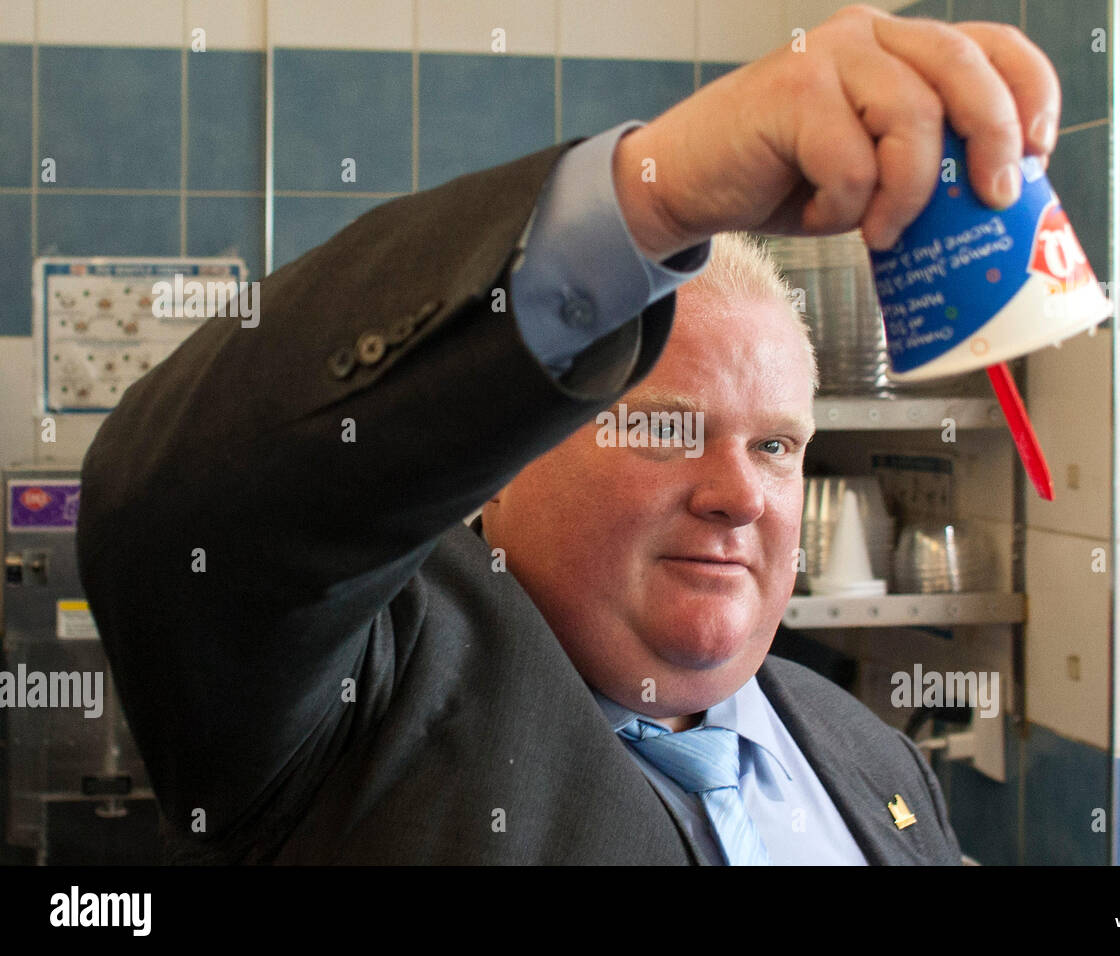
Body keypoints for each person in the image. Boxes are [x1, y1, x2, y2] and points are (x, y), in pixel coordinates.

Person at [76, 4, 1059, 864]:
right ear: (501, 459)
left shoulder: (866, 748)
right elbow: (176, 516)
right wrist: (649, 198)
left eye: (774, 445)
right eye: (670, 428)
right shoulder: (359, 712)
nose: (738, 493)